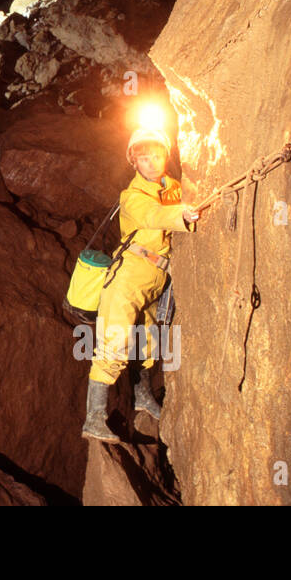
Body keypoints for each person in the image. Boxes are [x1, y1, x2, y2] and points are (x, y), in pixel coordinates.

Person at [81, 127, 199, 443]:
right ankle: (93, 418)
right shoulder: (132, 196)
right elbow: (153, 216)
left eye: (157, 156)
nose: (151, 163)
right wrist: (183, 214)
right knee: (114, 342)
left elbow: (177, 202)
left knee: (148, 343)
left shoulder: (173, 187)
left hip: (156, 280)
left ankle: (143, 398)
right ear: (134, 162)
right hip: (128, 276)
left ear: (167, 155)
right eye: (144, 158)